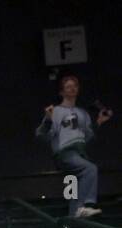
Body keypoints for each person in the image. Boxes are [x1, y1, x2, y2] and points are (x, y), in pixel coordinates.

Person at [37, 74, 112, 219]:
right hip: (65, 153)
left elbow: (87, 137)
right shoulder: (56, 111)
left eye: (74, 86)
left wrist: (99, 122)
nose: (72, 89)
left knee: (75, 190)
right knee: (90, 169)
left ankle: (73, 222)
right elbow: (42, 135)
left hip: (79, 153)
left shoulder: (83, 114)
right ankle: (86, 206)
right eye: (68, 87)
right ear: (62, 92)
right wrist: (47, 119)